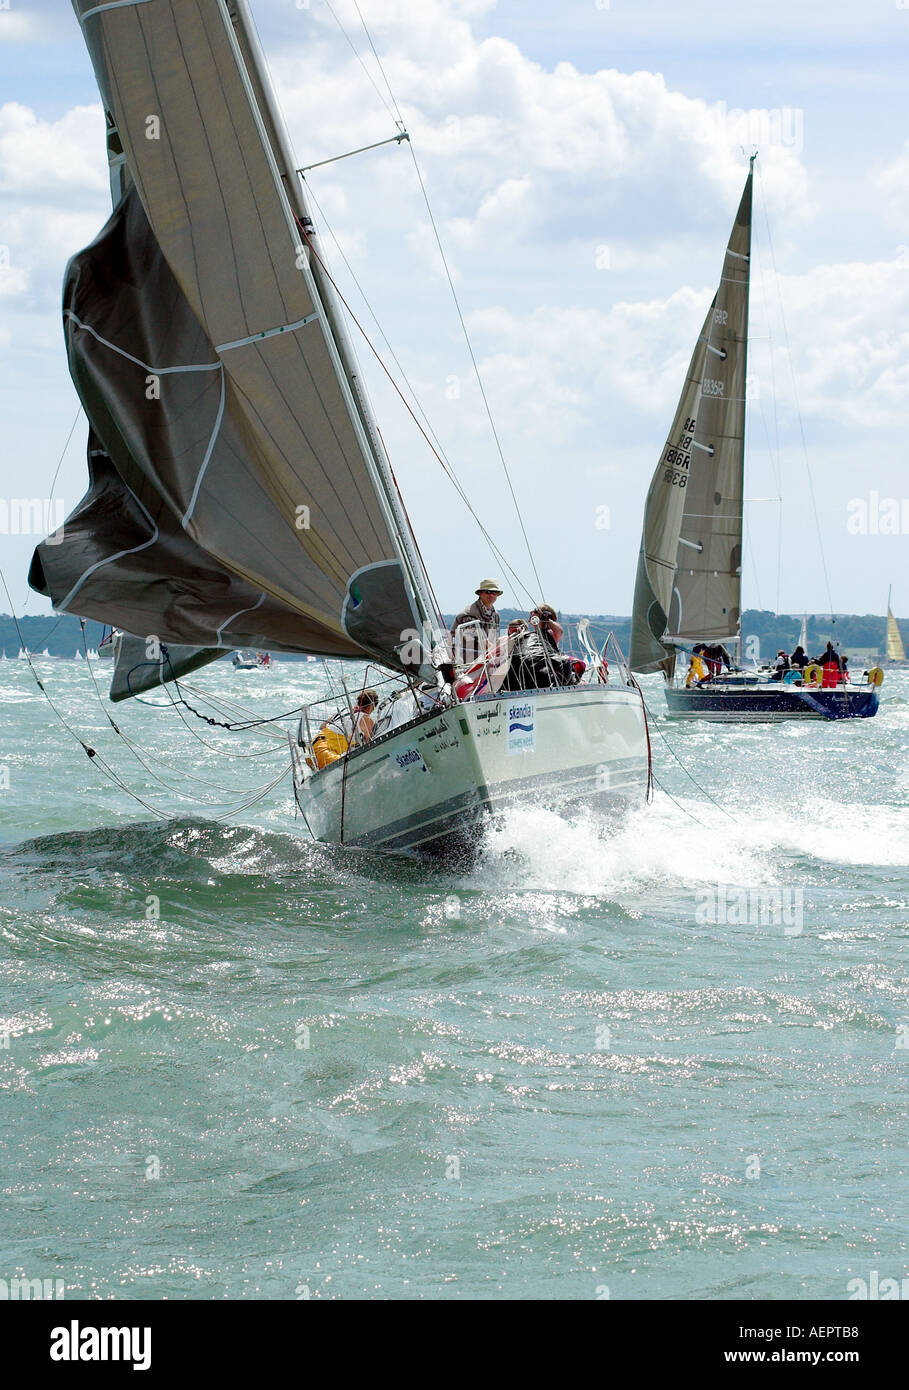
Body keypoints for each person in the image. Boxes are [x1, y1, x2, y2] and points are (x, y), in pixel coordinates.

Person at [451, 580, 503, 664]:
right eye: (488, 592)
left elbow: (493, 638)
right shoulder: (469, 613)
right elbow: (478, 638)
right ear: (480, 593)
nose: (492, 595)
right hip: (466, 660)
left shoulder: (495, 615)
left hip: (485, 659)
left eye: (495, 593)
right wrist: (497, 650)